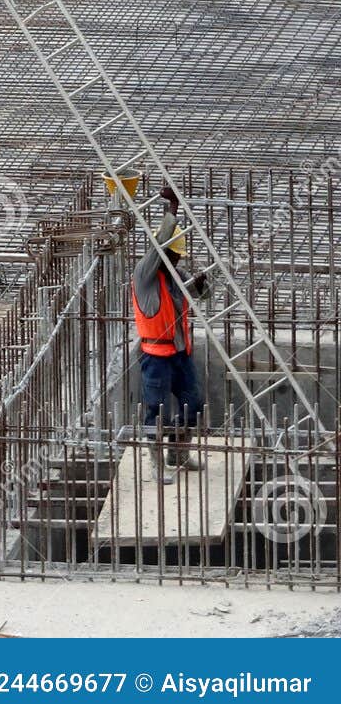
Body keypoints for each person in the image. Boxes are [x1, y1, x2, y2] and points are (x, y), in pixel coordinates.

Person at [131, 187, 206, 484]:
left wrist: (201, 283)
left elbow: (203, 296)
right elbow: (159, 245)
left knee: (194, 404)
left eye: (179, 258)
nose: (177, 263)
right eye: (173, 257)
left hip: (179, 354)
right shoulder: (145, 276)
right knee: (156, 411)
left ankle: (177, 451)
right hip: (155, 357)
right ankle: (156, 461)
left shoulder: (178, 277)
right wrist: (172, 209)